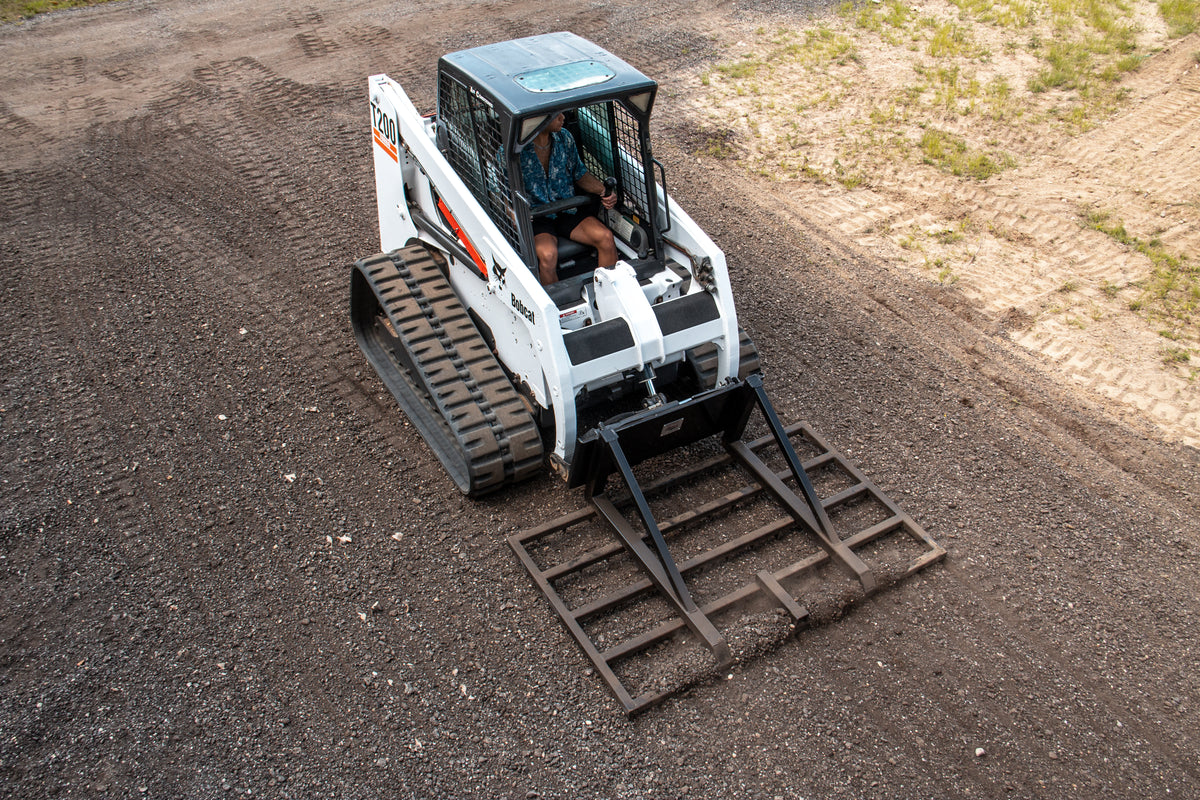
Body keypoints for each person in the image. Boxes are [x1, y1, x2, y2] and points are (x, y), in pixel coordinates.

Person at [520, 112, 618, 285]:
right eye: (556, 114)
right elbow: (502, 191)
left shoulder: (564, 138)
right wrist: (515, 215)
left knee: (605, 238)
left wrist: (603, 191)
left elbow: (579, 173)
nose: (563, 117)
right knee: (548, 255)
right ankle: (557, 301)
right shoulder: (514, 151)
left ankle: (608, 293)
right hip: (537, 218)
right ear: (539, 119)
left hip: (567, 209)